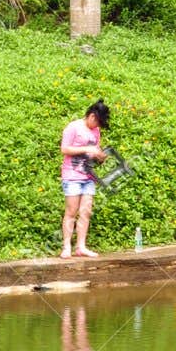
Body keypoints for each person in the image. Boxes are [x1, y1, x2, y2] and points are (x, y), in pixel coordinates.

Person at [60, 99, 110, 258]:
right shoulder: (73, 127)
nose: (98, 127)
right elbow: (65, 149)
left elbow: (95, 151)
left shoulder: (96, 132)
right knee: (71, 211)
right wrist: (86, 148)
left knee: (86, 211)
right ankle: (67, 246)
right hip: (72, 175)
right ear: (92, 116)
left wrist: (100, 156)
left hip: (88, 176)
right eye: (98, 122)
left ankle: (81, 246)